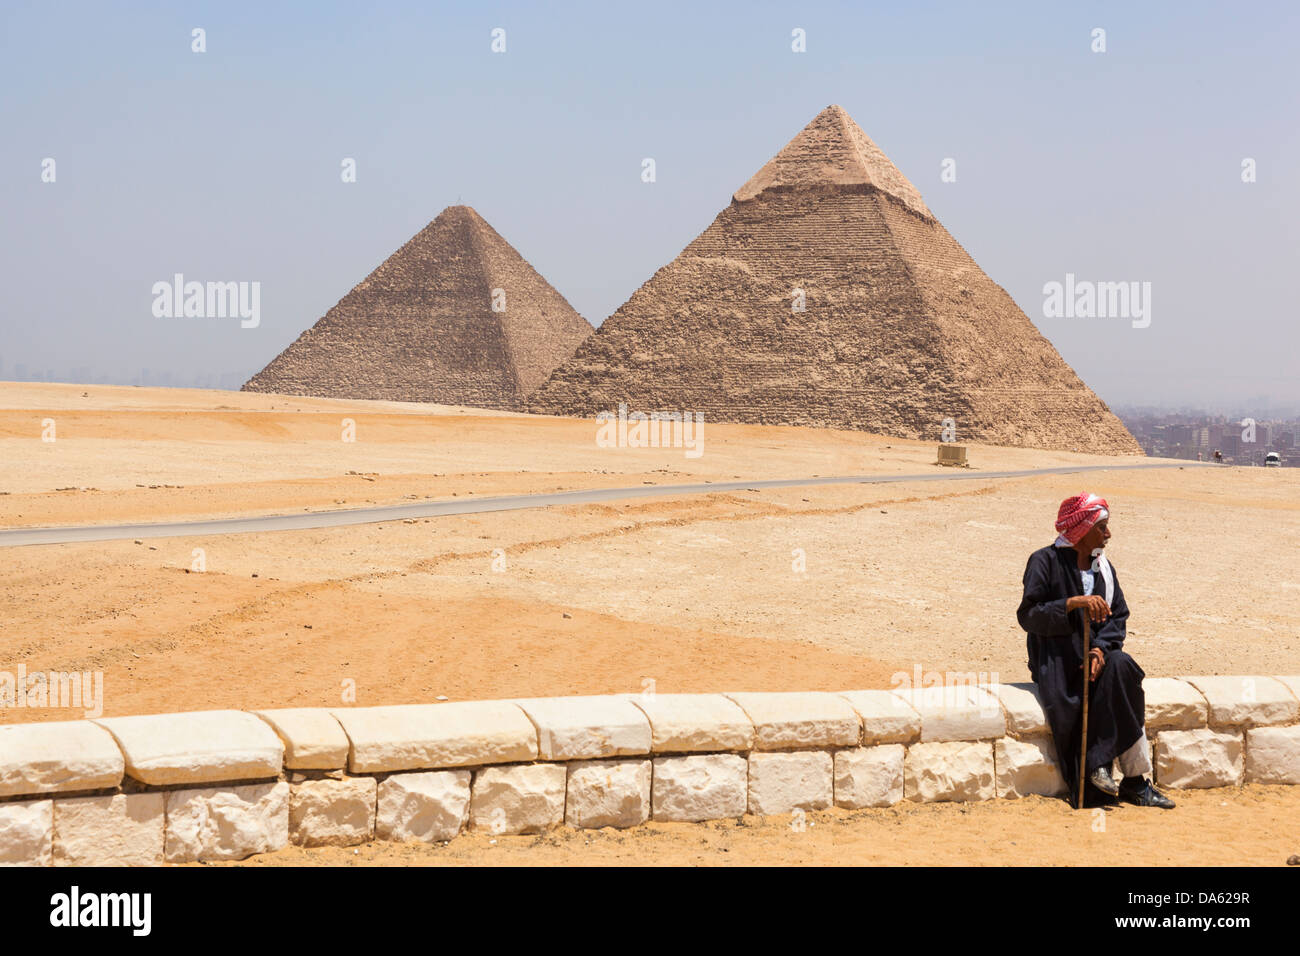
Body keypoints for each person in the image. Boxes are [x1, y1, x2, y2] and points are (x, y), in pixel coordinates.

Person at [1016, 493, 1175, 809]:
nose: (1108, 534)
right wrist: (1071, 604)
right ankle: (1113, 776)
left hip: (1096, 661)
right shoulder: (1043, 561)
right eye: (1101, 527)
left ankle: (1129, 778)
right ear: (1082, 528)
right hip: (1057, 662)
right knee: (1111, 696)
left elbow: (1118, 615)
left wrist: (1101, 649)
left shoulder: (1104, 568)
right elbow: (1028, 615)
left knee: (1123, 669)